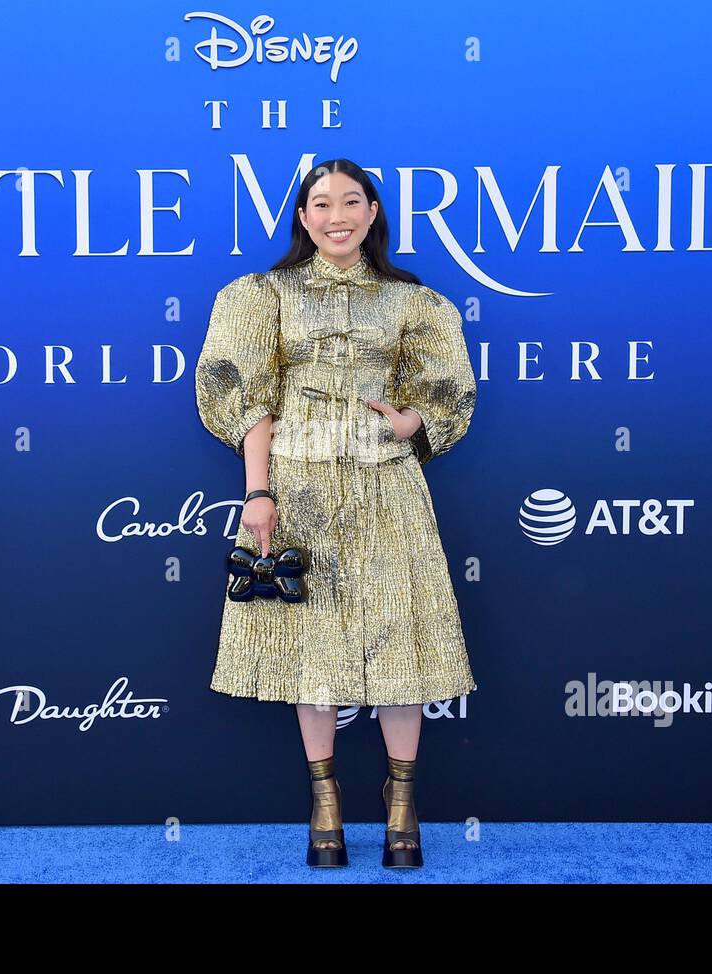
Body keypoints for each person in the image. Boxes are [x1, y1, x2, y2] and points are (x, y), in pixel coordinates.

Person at [194, 158, 477, 868]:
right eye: (321, 204)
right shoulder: (263, 295)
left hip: (389, 488)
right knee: (312, 648)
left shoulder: (414, 303)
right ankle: (325, 802)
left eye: (352, 201)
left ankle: (401, 802)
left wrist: (414, 423)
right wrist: (258, 493)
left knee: (401, 647)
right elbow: (247, 398)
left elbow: (446, 392)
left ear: (373, 213)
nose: (337, 215)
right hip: (299, 489)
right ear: (302, 217)